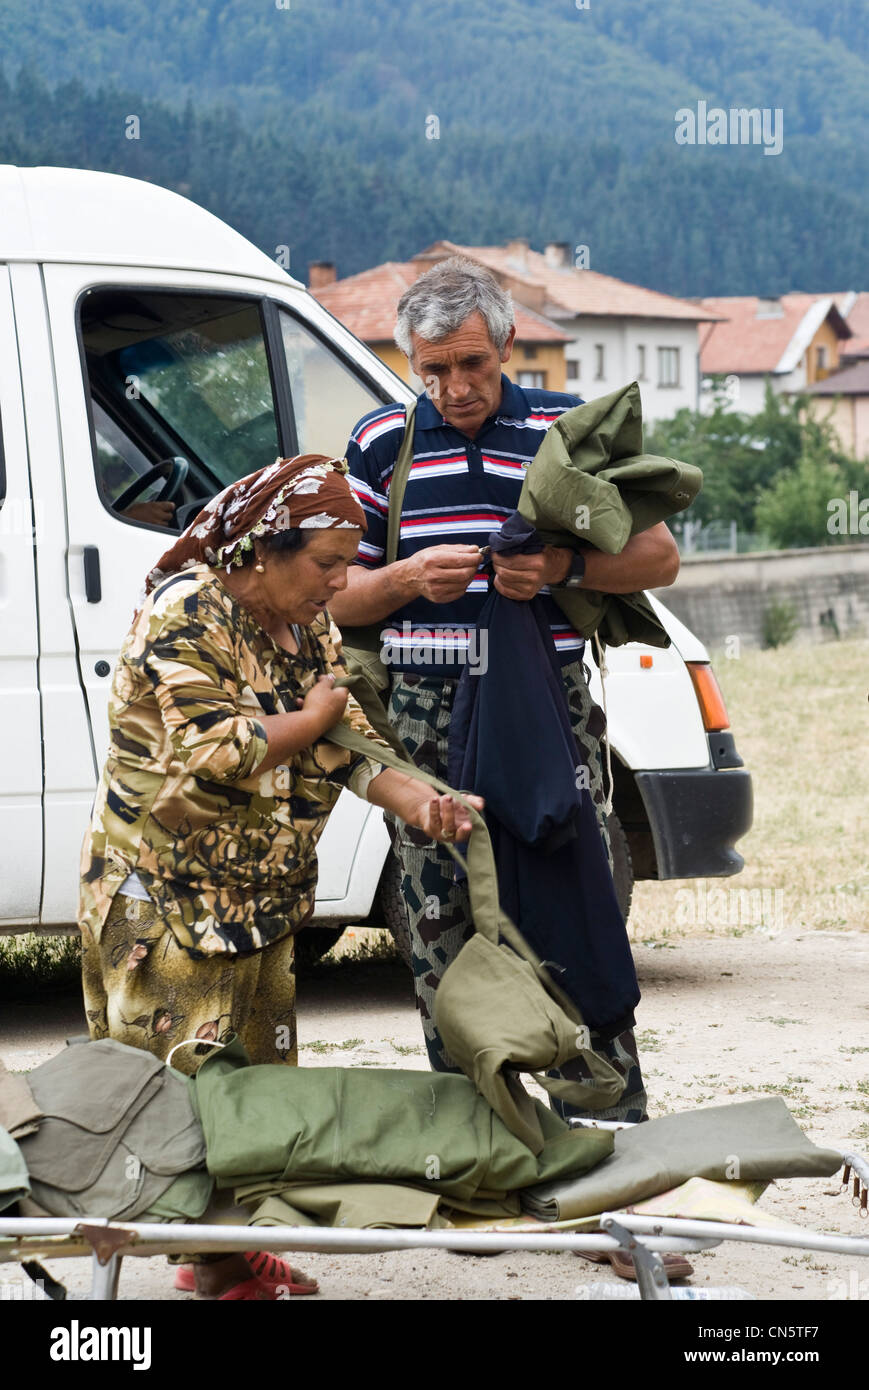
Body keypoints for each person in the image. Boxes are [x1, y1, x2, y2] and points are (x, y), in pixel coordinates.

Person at [78, 452, 481, 1300]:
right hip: (169, 897)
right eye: (326, 563)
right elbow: (218, 751)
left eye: (348, 563)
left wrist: (423, 804)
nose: (341, 582)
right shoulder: (187, 612)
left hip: (258, 898)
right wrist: (310, 716)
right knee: (179, 1080)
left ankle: (221, 1249)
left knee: (252, 1085)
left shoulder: (304, 625)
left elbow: (351, 740)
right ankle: (206, 1258)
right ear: (263, 549)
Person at [331, 257, 681, 1124]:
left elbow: (660, 558)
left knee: (566, 895)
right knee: (437, 916)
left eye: (471, 365)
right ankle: (478, 1140)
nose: (453, 387)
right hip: (420, 707)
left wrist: (562, 564)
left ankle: (602, 1130)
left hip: (547, 702)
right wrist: (408, 576)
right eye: (433, 368)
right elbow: (338, 597)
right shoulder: (381, 444)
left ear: (508, 345)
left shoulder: (568, 429)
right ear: (411, 358)